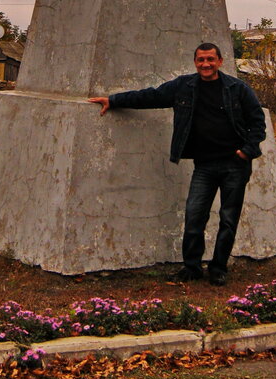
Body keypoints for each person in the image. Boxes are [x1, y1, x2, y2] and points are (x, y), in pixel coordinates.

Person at [89, 43, 265, 286]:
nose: (206, 64)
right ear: (195, 62)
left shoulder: (238, 89)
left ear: (220, 61)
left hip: (234, 165)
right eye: (201, 60)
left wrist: (246, 152)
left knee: (228, 219)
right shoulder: (184, 87)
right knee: (194, 217)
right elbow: (150, 96)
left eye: (211, 59)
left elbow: (258, 123)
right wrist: (114, 100)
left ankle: (218, 268)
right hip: (204, 166)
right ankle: (191, 268)